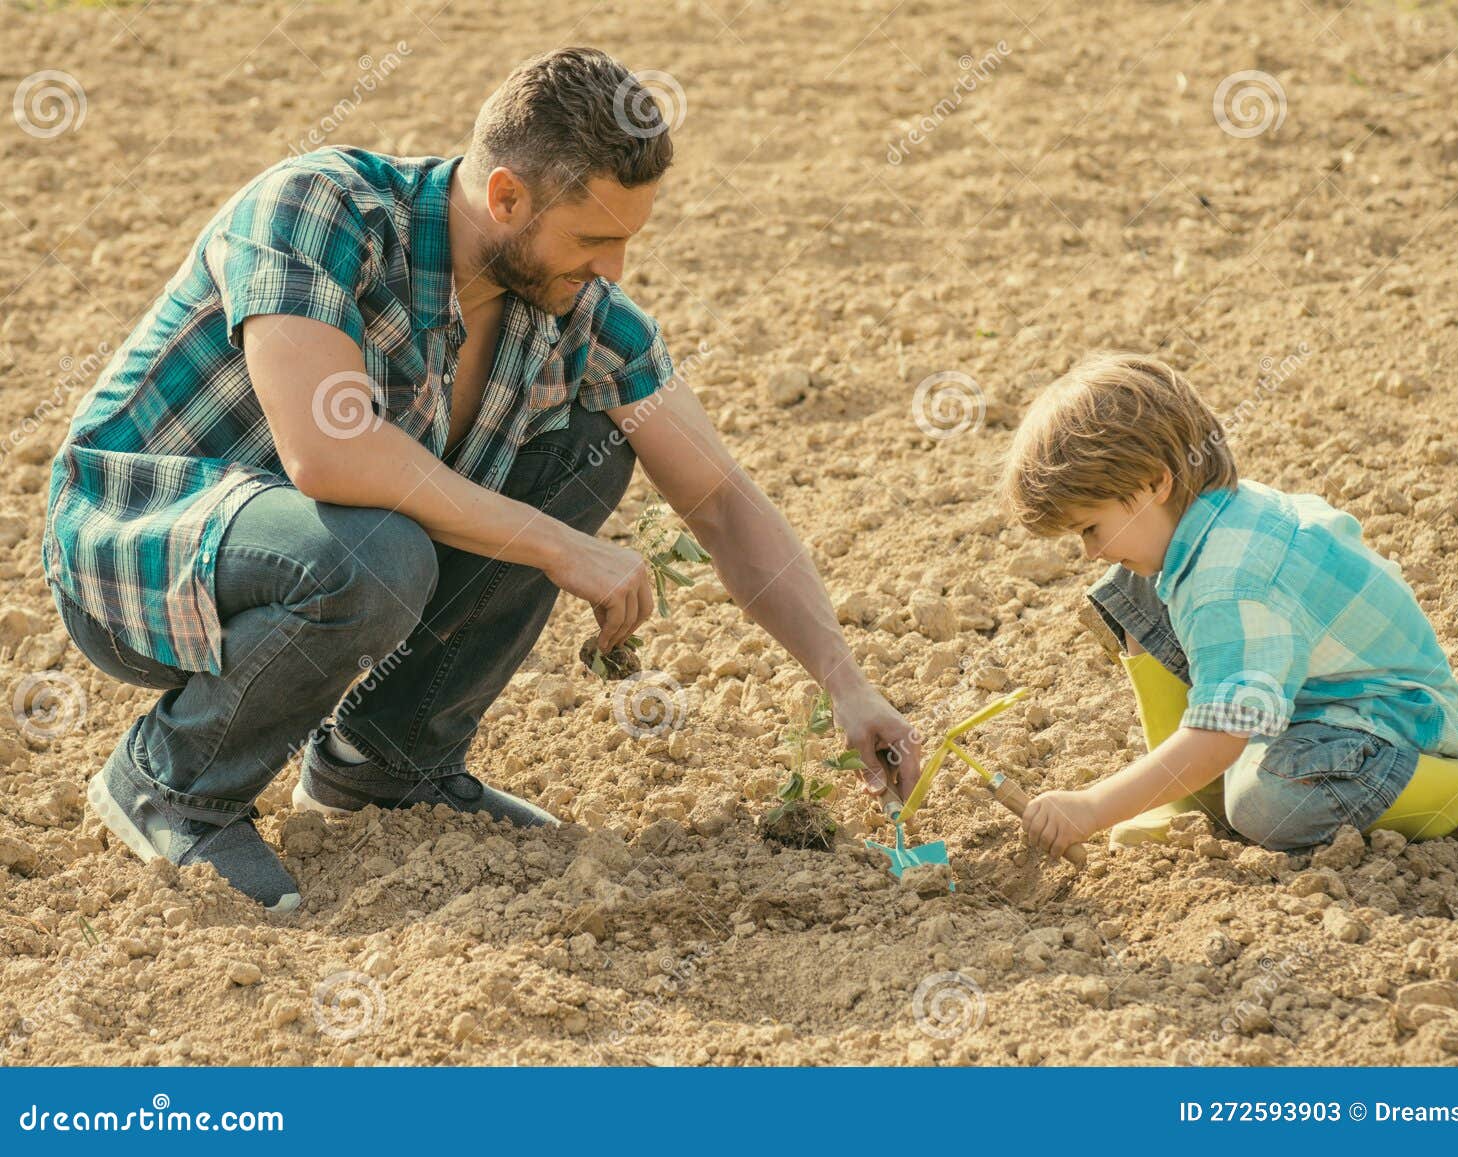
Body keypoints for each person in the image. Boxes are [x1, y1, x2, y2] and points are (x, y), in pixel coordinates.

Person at [43, 47, 920, 912]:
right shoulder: (320, 206)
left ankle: (386, 762)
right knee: (379, 551)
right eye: (594, 238)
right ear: (505, 196)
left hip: (316, 555)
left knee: (590, 445)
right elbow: (326, 451)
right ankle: (172, 782)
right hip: (139, 553)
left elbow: (723, 502)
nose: (612, 270)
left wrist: (846, 681)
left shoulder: (581, 315)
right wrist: (556, 545)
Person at [998, 350, 1458, 860]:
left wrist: (1093, 807)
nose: (1089, 551)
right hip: (1309, 704)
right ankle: (1183, 797)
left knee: (1267, 804)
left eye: (1091, 527)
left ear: (1155, 482)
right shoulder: (1212, 520)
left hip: (1384, 730)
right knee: (1132, 590)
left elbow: (1221, 736)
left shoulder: (1232, 581)